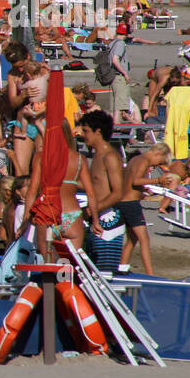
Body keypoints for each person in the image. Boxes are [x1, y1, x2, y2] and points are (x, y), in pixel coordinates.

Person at [22, 119, 102, 258]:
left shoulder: (41, 157)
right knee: (69, 267)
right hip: (73, 215)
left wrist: (25, 220)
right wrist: (95, 220)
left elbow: (32, 191)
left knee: (48, 268)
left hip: (49, 214)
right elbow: (91, 193)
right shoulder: (78, 159)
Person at [78, 110, 127, 271]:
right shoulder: (98, 156)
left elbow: (118, 193)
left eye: (85, 131)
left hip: (109, 221)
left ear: (98, 131)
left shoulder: (110, 157)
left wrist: (92, 210)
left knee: (104, 275)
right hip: (98, 218)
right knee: (93, 272)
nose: (83, 135)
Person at [116, 141, 172, 275]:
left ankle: (122, 268)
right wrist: (157, 180)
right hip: (130, 204)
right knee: (144, 239)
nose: (156, 166)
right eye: (159, 162)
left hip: (124, 201)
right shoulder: (144, 160)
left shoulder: (136, 159)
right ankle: (150, 273)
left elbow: (130, 182)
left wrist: (144, 191)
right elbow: (135, 180)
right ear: (158, 153)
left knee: (132, 239)